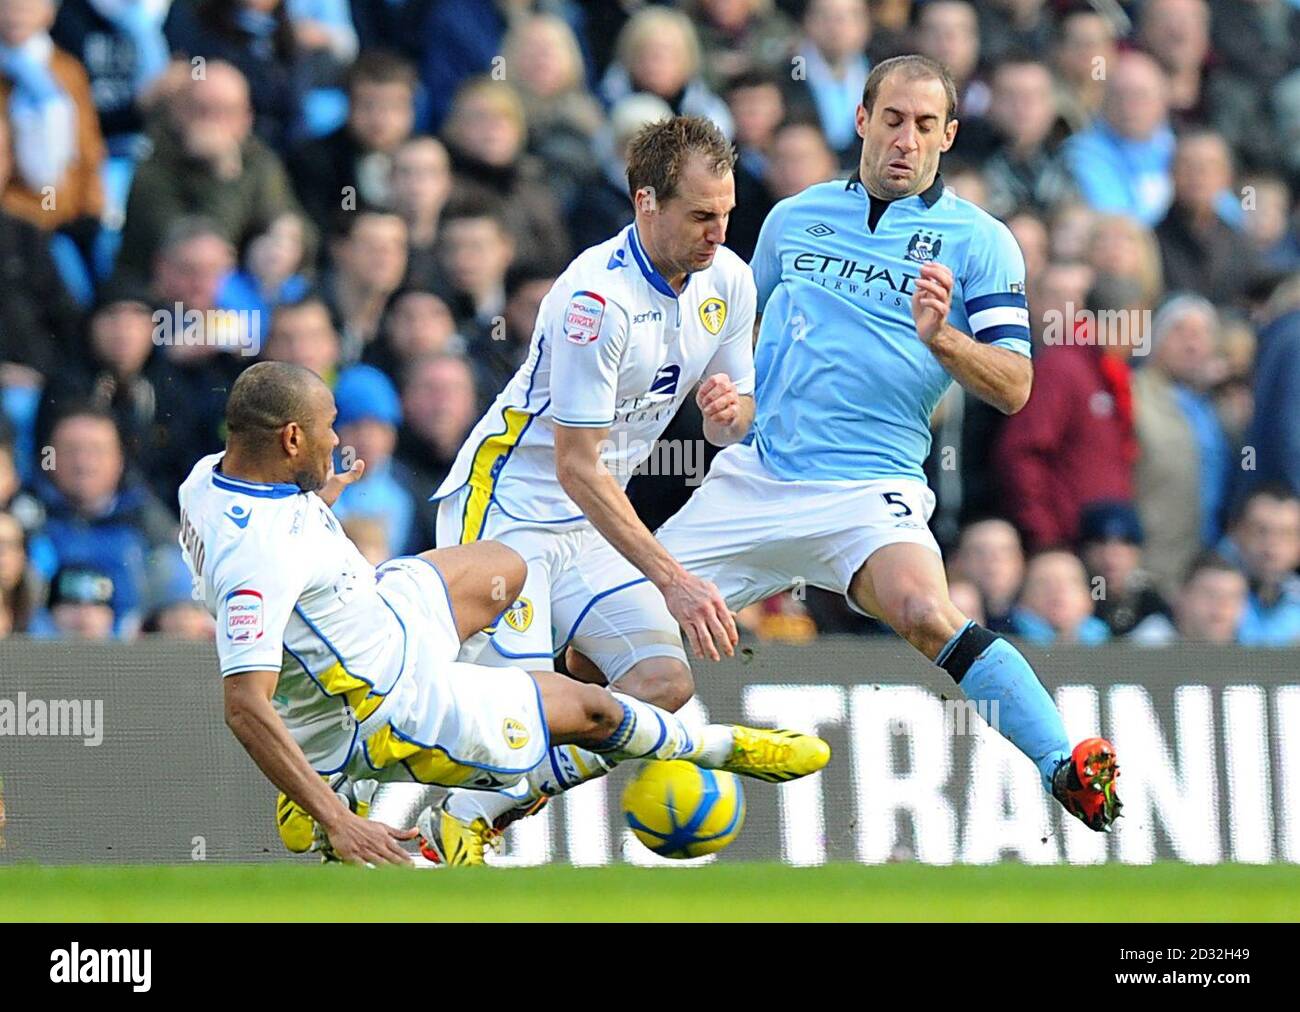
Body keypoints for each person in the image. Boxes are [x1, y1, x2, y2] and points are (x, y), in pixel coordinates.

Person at [435, 57, 1123, 858]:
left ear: (950, 135)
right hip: (755, 481)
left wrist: (945, 341)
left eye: (927, 125)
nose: (907, 139)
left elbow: (1014, 386)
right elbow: (747, 353)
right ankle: (478, 811)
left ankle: (1060, 763)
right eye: (893, 119)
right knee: (607, 659)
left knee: (927, 612)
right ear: (862, 121)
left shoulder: (982, 244)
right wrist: (739, 405)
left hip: (871, 487)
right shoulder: (795, 220)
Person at [178, 360, 828, 866]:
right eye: (326, 427)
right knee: (591, 710)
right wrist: (343, 825)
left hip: (384, 612)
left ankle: (330, 784)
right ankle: (722, 748)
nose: (335, 436)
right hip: (384, 702)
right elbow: (245, 704)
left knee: (504, 567)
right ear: (291, 438)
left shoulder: (209, 476)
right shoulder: (255, 560)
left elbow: (278, 522)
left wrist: (323, 487)